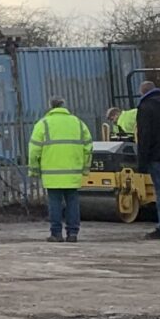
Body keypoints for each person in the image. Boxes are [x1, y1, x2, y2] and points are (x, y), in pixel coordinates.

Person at [27, 98, 93, 242]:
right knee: (72, 202)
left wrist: (34, 170)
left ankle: (56, 233)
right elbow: (88, 148)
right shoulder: (78, 123)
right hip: (73, 172)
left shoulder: (43, 124)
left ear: (50, 107)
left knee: (55, 203)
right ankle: (73, 233)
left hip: (52, 173)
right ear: (64, 106)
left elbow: (34, 150)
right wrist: (85, 169)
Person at [134, 79, 160, 240]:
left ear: (143, 92)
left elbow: (144, 136)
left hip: (157, 157)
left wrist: (142, 162)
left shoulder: (146, 108)